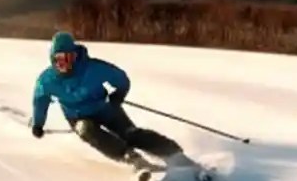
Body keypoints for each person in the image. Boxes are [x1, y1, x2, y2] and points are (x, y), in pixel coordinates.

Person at [31, 31, 197, 172]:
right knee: (86, 130)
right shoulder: (47, 81)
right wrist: (38, 124)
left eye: (69, 58)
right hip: (78, 116)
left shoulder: (93, 68)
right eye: (60, 60)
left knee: (130, 133)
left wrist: (119, 93)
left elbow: (121, 78)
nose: (65, 64)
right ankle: (130, 157)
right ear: (52, 59)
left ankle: (173, 153)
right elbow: (40, 101)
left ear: (76, 56)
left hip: (104, 108)